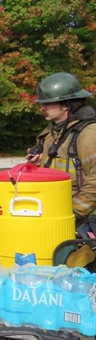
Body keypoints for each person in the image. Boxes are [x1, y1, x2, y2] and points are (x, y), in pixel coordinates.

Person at [27, 72, 96, 229]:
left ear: (66, 105)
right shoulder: (51, 133)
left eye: (48, 103)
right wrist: (37, 164)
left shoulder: (88, 134)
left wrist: (73, 213)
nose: (42, 108)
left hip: (83, 220)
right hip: (56, 216)